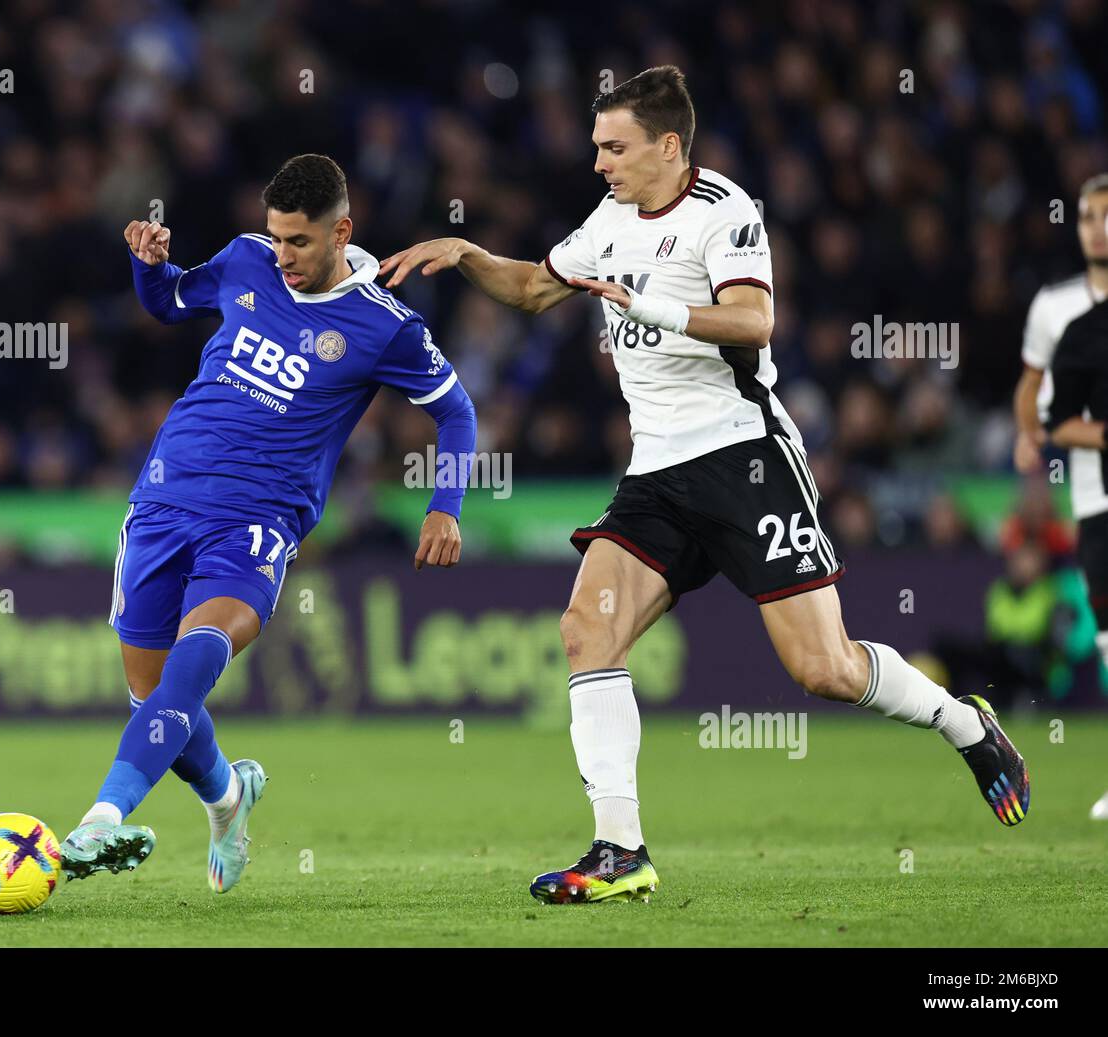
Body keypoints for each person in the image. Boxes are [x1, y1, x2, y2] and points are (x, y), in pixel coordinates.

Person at [382, 66, 1029, 905]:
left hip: (743, 460)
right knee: (588, 629)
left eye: (614, 148)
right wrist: (468, 254)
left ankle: (964, 721)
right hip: (655, 471)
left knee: (822, 668)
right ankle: (619, 848)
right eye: (595, 148)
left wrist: (657, 312)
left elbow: (755, 320)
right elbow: (537, 287)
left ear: (668, 146)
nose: (599, 164)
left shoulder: (724, 211)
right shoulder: (612, 217)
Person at [62, 154, 475, 892]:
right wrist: (149, 266)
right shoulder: (245, 261)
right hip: (162, 499)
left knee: (199, 655)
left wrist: (445, 505)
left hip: (256, 521)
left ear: (342, 231)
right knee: (152, 700)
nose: (282, 256)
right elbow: (170, 304)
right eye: (276, 238)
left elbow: (457, 410)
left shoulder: (385, 325)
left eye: (300, 243)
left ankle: (101, 816)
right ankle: (228, 795)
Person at [1018, 173, 1108, 820]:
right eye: (1088, 216)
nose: (1097, 227)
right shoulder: (1061, 312)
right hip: (1095, 493)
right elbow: (1041, 401)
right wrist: (1031, 434)